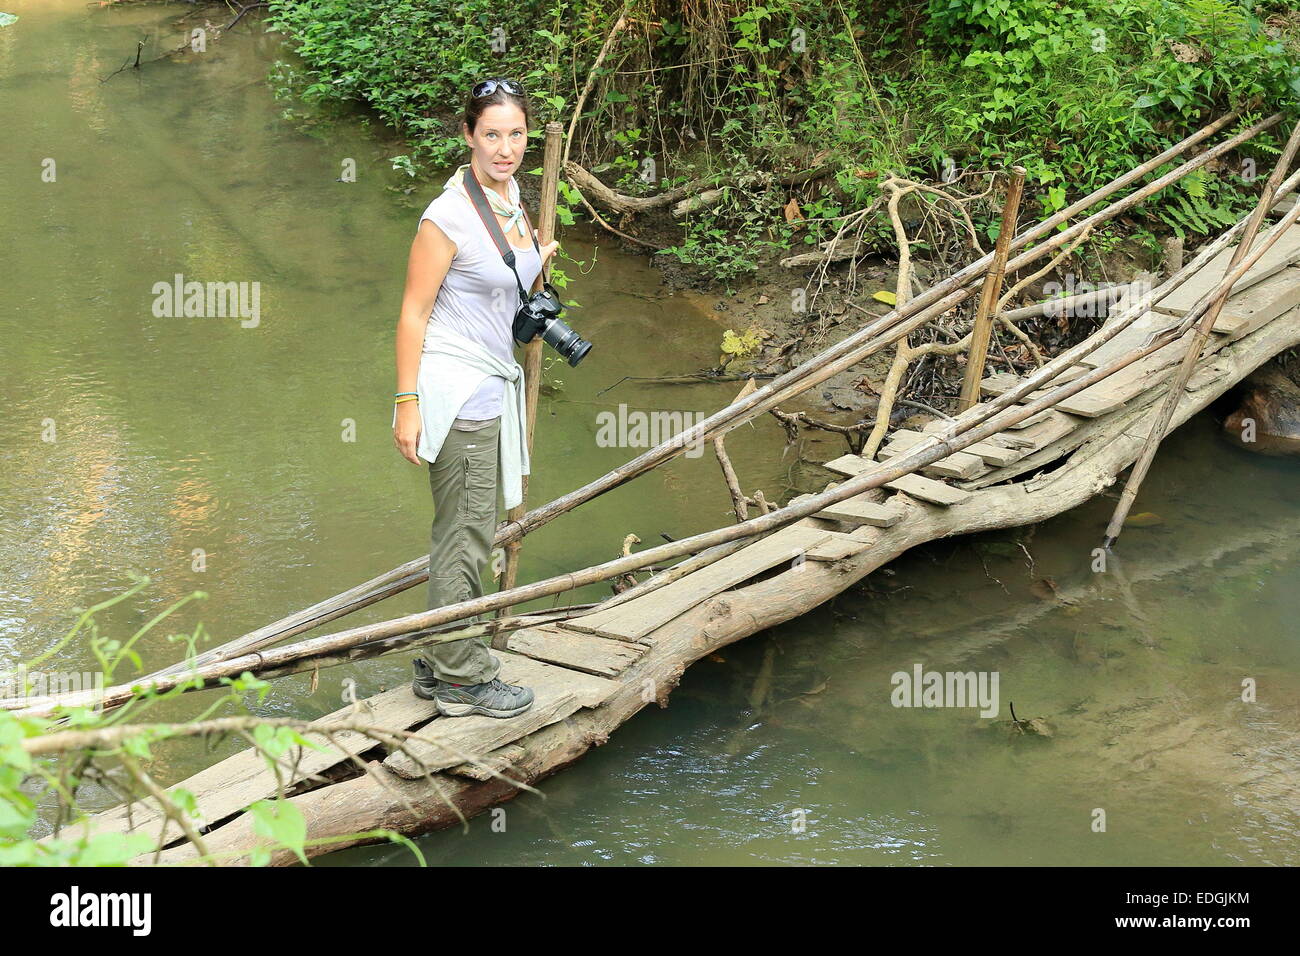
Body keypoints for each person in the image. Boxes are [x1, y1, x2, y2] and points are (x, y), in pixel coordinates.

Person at [392, 78, 559, 718]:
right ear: (468, 136)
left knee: (471, 529)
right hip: (458, 391)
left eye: (516, 134)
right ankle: (463, 677)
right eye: (492, 134)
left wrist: (534, 259)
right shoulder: (448, 215)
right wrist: (407, 403)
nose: (506, 147)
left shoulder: (510, 199)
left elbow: (498, 278)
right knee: (465, 535)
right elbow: (413, 313)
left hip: (492, 383)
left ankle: (439, 662)